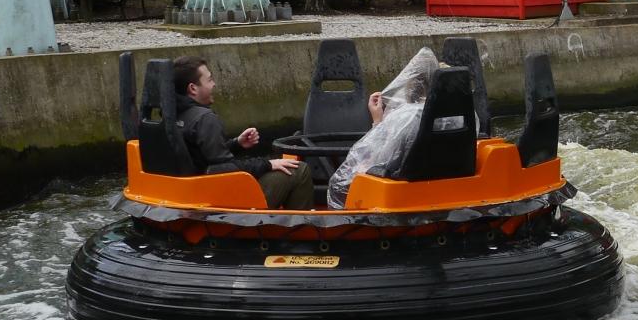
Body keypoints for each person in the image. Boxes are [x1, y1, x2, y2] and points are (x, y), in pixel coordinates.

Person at [170, 54, 317, 210]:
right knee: (298, 170)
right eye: (210, 79)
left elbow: (205, 158)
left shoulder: (172, 115)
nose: (214, 84)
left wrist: (236, 144)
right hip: (223, 200)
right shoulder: (205, 119)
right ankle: (299, 228)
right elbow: (223, 169)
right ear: (193, 88)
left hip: (193, 191)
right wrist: (267, 164)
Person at [327, 47, 441, 209]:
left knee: (338, 182)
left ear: (409, 83)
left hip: (399, 185)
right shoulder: (456, 113)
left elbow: (381, 158)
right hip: (436, 183)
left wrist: (378, 122)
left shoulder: (405, 117)